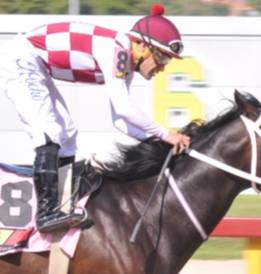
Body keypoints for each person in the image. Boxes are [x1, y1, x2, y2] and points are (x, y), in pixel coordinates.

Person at [0, 4, 191, 233]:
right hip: (21, 59)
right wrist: (165, 134)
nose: (162, 67)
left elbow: (119, 120)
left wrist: (154, 139)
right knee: (49, 130)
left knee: (67, 134)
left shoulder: (124, 63)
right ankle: (47, 212)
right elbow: (124, 109)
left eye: (167, 61)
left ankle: (62, 206)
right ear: (141, 45)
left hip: (35, 64)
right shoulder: (119, 51)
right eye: (161, 57)